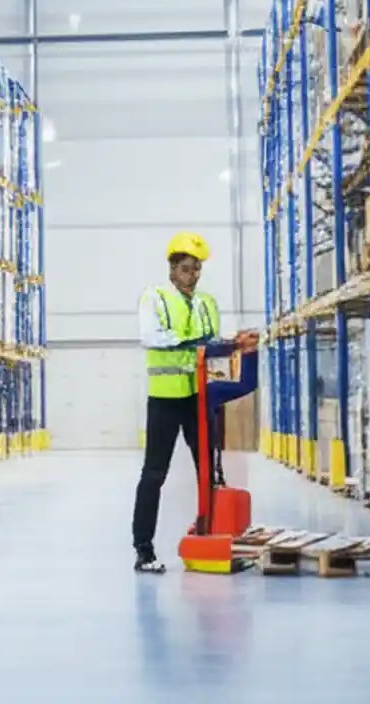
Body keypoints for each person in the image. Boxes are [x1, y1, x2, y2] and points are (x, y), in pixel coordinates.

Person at [131, 232, 226, 574]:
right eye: (187, 269)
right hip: (165, 399)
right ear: (172, 269)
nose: (193, 275)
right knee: (155, 473)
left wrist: (232, 344)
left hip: (199, 397)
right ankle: (144, 549)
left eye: (197, 269)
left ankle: (214, 534)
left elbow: (211, 342)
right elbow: (151, 337)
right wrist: (194, 341)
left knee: (209, 469)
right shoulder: (154, 297)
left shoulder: (206, 303)